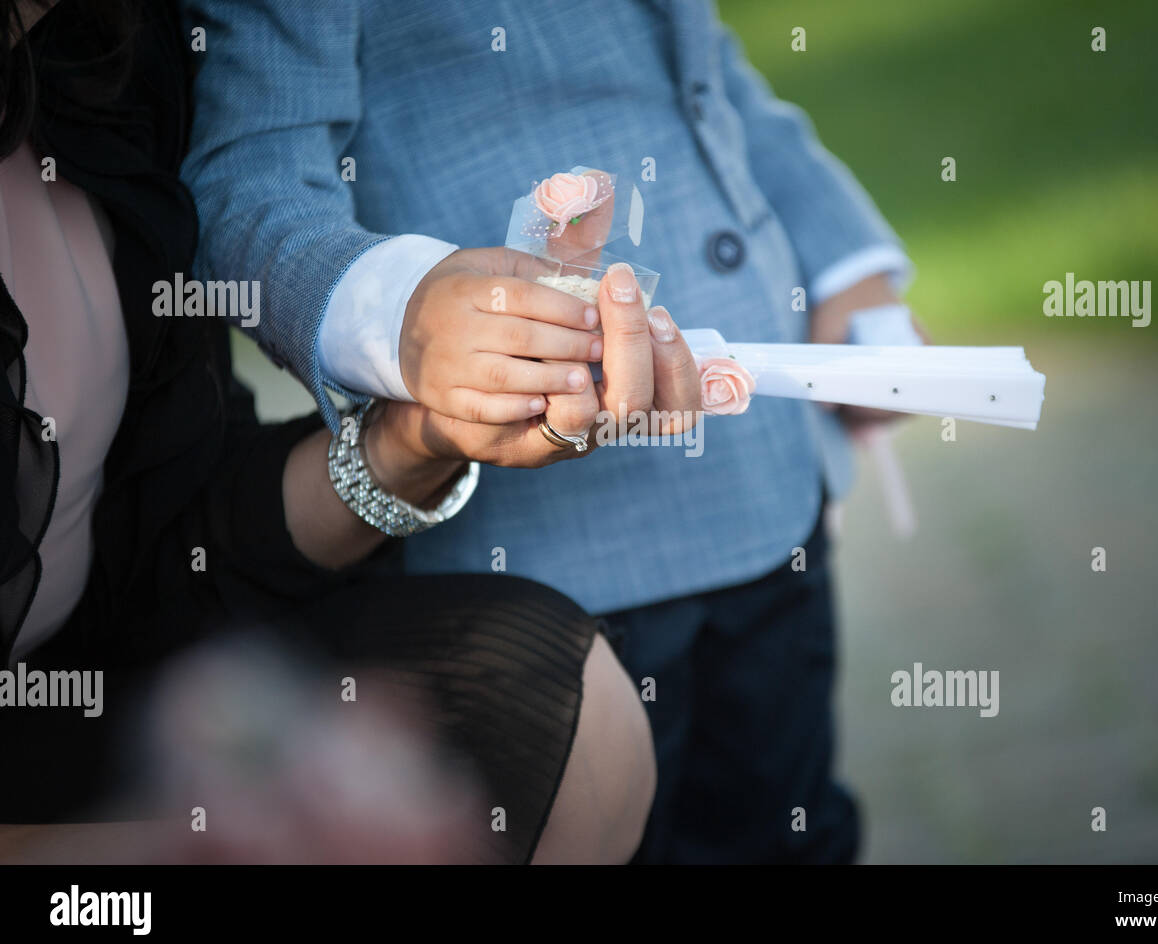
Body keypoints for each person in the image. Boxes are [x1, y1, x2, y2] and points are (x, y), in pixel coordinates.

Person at [181, 0, 924, 863]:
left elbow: (702, 77)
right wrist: (408, 319)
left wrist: (848, 263)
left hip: (770, 494)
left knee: (796, 838)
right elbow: (250, 183)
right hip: (553, 574)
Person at [0, 0, 704, 863]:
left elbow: (161, 542)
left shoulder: (103, 67)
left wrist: (416, 441)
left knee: (563, 701)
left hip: (85, 704)